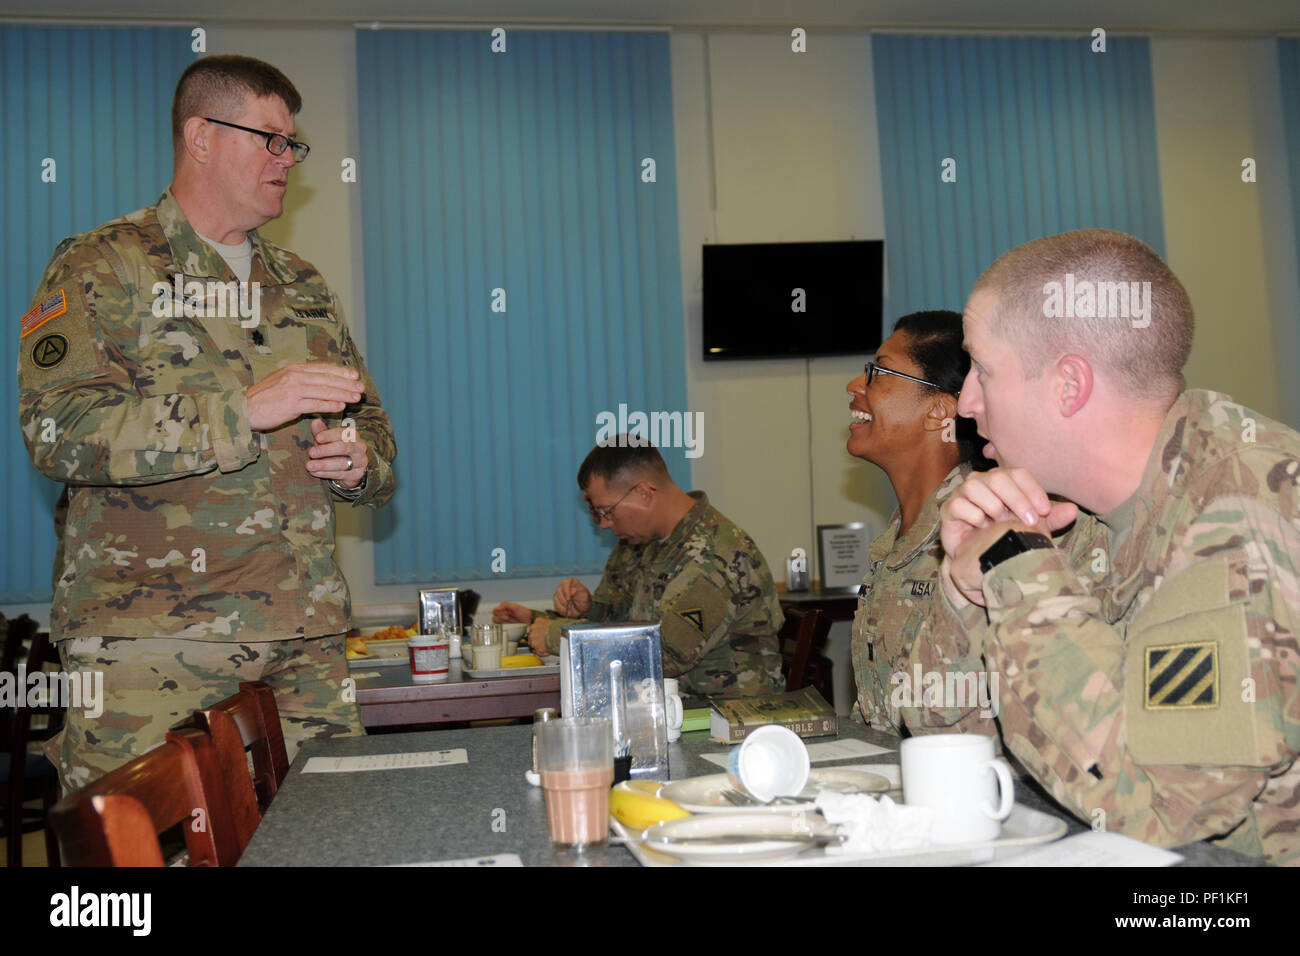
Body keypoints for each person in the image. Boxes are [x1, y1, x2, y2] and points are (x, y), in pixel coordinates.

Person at [17, 55, 397, 793]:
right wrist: (242, 411)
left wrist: (360, 463)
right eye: (269, 139)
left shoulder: (303, 285)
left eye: (293, 144)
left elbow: (374, 432)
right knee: (142, 856)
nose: (287, 160)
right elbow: (57, 428)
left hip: (304, 637)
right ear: (200, 137)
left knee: (334, 834)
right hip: (154, 650)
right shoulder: (105, 266)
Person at [937, 228, 1299, 865]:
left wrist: (1013, 565)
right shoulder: (1086, 519)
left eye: (982, 369)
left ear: (1068, 386)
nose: (965, 403)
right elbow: (954, 742)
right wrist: (967, 584)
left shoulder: (1242, 508)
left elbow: (1161, 804)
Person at [492, 440, 784, 700]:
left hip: (730, 721)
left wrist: (559, 635)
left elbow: (664, 655)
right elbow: (627, 622)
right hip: (672, 708)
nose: (603, 523)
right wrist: (578, 612)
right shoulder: (652, 542)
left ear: (644, 493)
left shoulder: (714, 555)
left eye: (608, 511)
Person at [846, 311, 995, 738]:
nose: (855, 386)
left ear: (939, 411)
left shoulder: (980, 532)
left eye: (878, 373)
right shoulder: (894, 542)